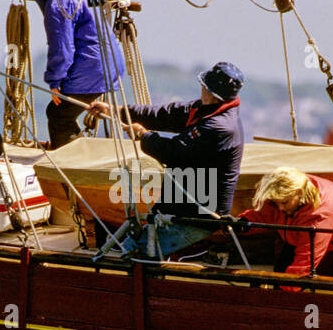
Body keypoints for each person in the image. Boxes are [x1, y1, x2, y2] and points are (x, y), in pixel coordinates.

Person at [90, 61, 245, 216]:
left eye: (204, 86)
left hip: (200, 213)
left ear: (211, 93)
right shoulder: (207, 109)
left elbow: (174, 152)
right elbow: (166, 115)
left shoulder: (219, 126)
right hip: (182, 205)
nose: (201, 89)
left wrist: (142, 135)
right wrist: (118, 111)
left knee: (137, 241)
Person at [239, 167, 333, 279]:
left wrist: (283, 294)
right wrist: (242, 223)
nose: (280, 208)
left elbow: (305, 261)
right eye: (276, 203)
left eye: (284, 203)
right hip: (299, 233)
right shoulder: (286, 191)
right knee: (281, 275)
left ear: (299, 193)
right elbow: (267, 212)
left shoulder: (320, 215)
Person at [37, 0, 125, 148]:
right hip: (105, 65)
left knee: (59, 114)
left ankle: (70, 161)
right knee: (62, 112)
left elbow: (62, 47)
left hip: (92, 67)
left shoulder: (59, 2)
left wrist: (55, 79)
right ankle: (77, 153)